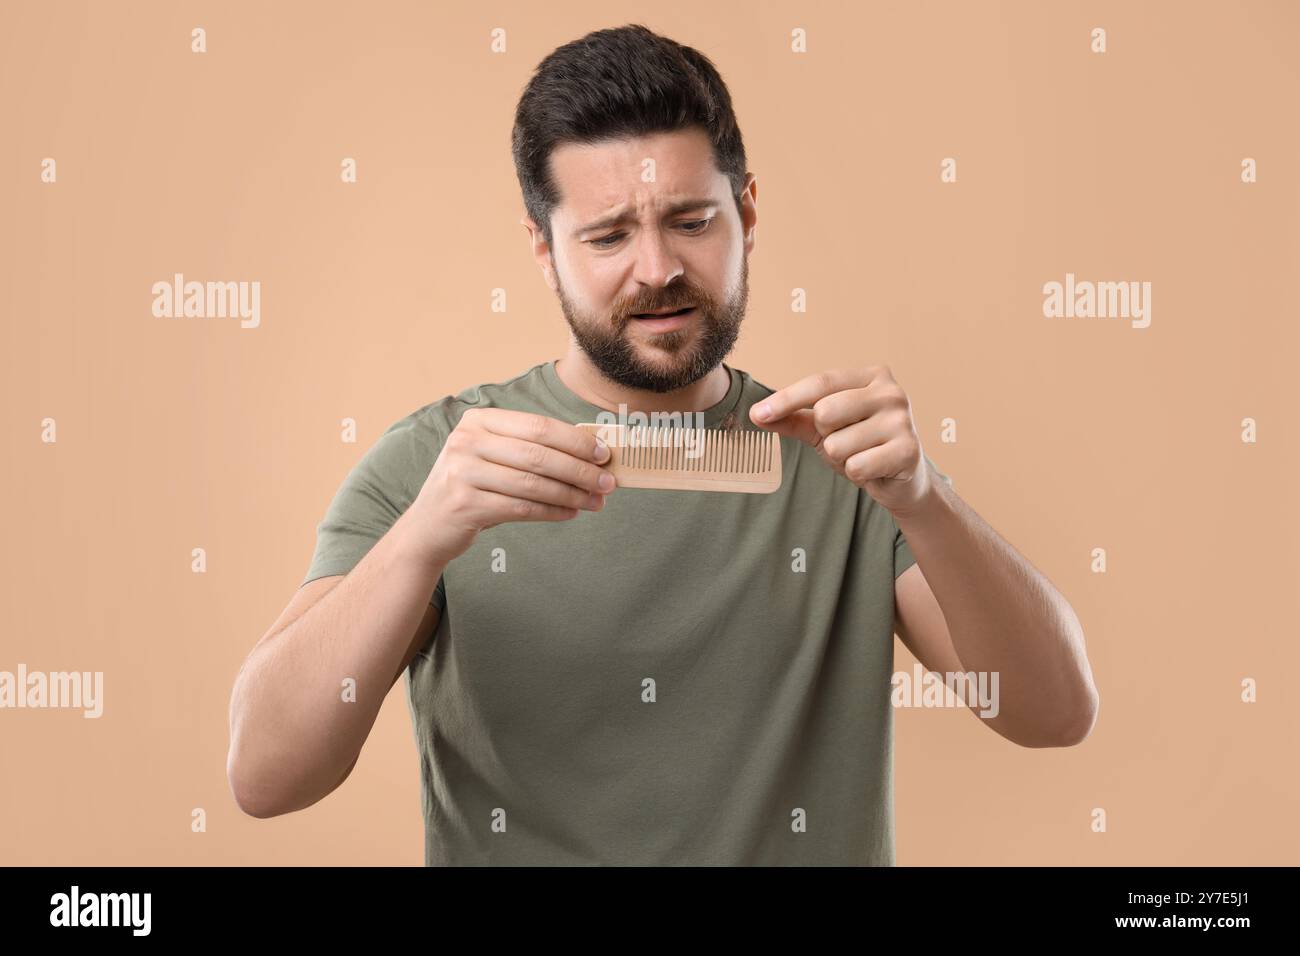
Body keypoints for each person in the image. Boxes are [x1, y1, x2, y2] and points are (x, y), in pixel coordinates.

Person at [227, 23, 1098, 865]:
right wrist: (419, 543)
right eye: (607, 236)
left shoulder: (849, 467)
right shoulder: (433, 466)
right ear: (542, 248)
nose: (656, 269)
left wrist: (925, 499)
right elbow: (266, 776)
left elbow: (1054, 714)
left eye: (690, 220)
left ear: (746, 212)